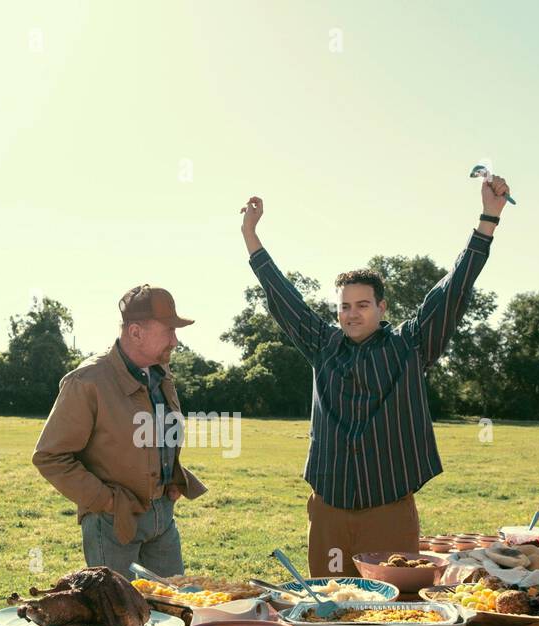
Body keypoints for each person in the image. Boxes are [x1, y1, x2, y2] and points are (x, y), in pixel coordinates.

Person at [239, 180, 509, 576]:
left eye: (363, 304)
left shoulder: (409, 345)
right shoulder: (322, 345)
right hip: (328, 507)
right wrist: (250, 235)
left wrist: (488, 219)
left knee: (391, 604)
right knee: (330, 599)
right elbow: (282, 296)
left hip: (388, 508)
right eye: (345, 306)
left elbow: (453, 290)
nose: (352, 314)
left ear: (382, 307)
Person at [33, 284, 207, 577]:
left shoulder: (161, 373)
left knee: (173, 601)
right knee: (120, 606)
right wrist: (107, 502)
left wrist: (170, 475)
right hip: (113, 522)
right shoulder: (86, 381)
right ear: (135, 332)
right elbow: (49, 456)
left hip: (163, 516)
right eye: (168, 331)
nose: (175, 341)